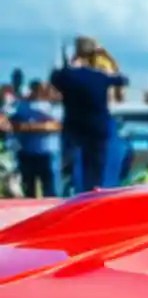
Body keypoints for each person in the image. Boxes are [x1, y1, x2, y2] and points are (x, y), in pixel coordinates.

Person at [50, 53, 128, 194]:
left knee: (72, 161)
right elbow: (122, 80)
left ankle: (71, 188)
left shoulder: (67, 76)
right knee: (96, 164)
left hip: (75, 126)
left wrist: (68, 67)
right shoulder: (100, 76)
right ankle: (94, 190)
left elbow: (54, 77)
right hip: (97, 126)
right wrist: (109, 67)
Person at [9, 80, 62, 198]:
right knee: (28, 190)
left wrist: (28, 127)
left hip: (49, 153)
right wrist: (42, 126)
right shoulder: (21, 106)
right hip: (26, 153)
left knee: (52, 191)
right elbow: (12, 124)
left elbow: (57, 126)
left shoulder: (56, 107)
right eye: (36, 88)